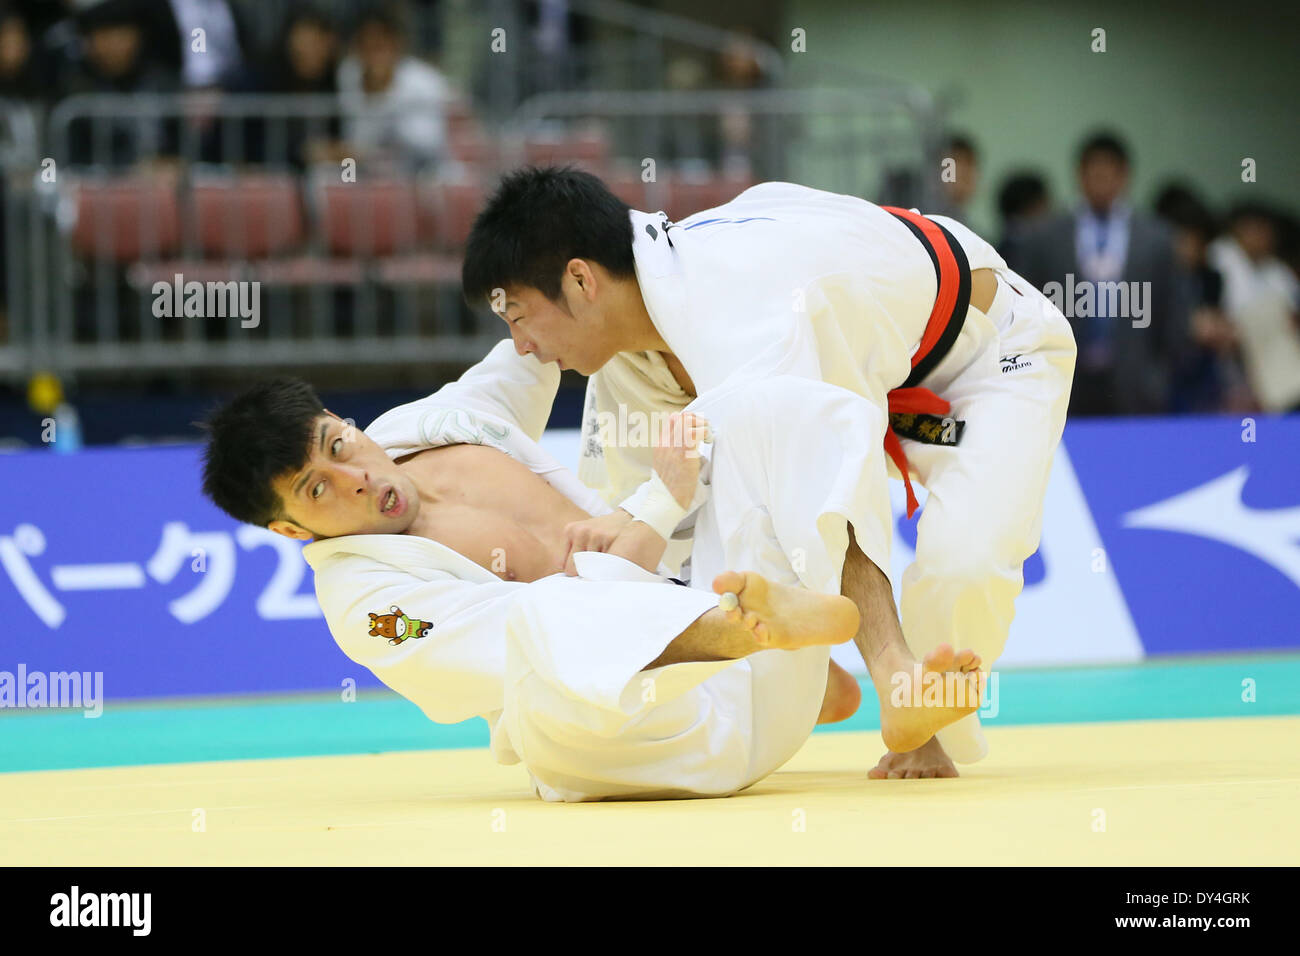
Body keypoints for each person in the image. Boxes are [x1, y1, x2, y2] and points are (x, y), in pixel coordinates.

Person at [461, 165, 1072, 779]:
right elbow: (637, 537)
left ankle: (905, 688)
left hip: (987, 360)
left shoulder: (747, 304)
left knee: (963, 562)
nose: (521, 346)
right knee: (676, 503)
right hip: (867, 364)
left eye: (519, 317)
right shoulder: (630, 359)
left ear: (580, 279)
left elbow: (821, 447)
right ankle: (825, 672)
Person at [200, 341, 983, 800]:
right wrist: (652, 505)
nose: (355, 479)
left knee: (766, 404)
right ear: (288, 527)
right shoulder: (365, 605)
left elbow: (543, 334)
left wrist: (633, 260)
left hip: (735, 650)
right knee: (532, 622)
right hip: (649, 740)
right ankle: (754, 636)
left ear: (345, 423)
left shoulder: (437, 421)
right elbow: (515, 645)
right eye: (317, 489)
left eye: (338, 447)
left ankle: (889, 676)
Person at [1014, 130, 1190, 416]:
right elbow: (1026, 303)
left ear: (1124, 176)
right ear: (1080, 175)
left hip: (1134, 376)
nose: (1101, 182)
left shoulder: (1156, 237)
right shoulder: (1045, 235)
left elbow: (1171, 309)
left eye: (1109, 174)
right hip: (1065, 373)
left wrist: (1161, 372)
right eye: (1094, 173)